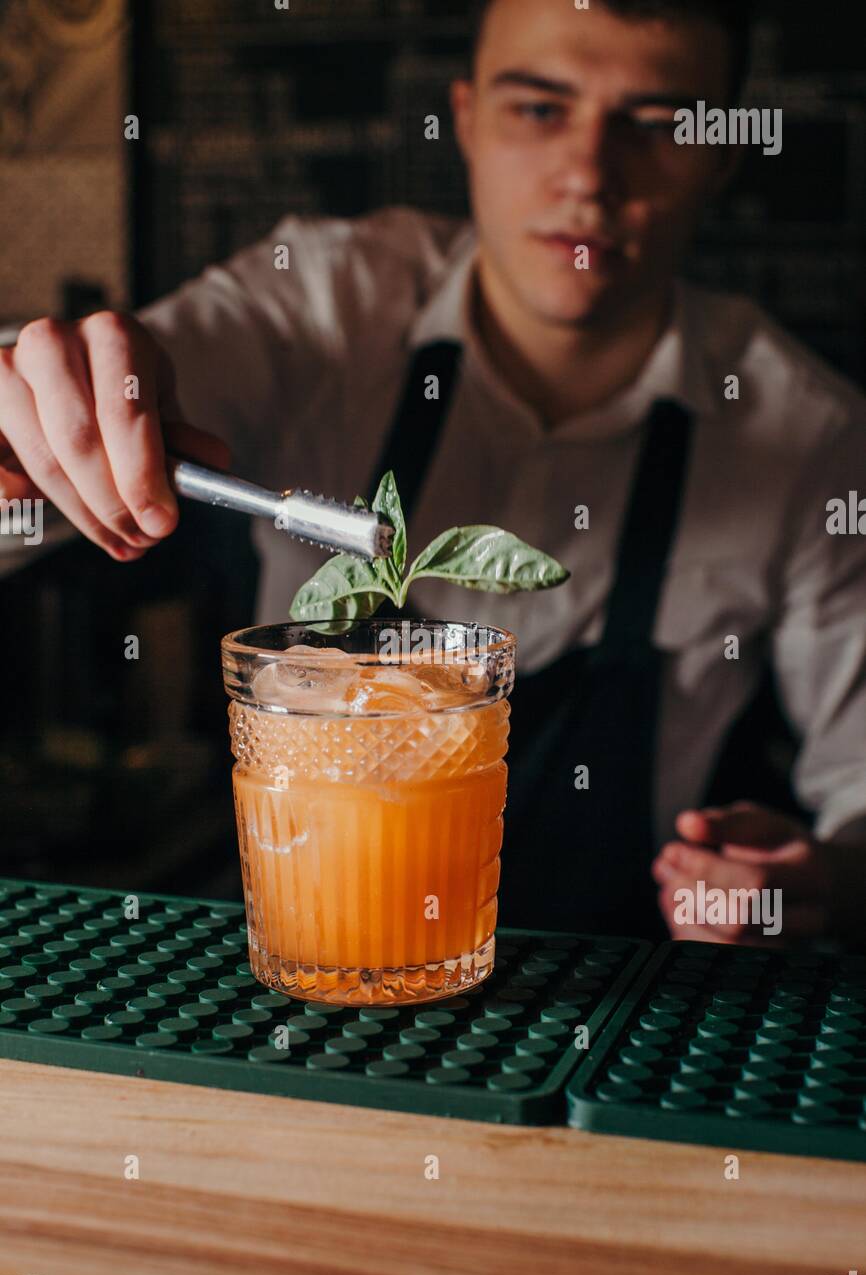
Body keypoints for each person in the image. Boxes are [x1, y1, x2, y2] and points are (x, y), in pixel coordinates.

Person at [1, 0, 864, 945]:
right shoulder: (320, 301)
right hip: (316, 945)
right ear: (463, 117)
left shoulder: (810, 434)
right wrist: (48, 415)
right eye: (539, 109)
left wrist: (826, 881)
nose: (588, 177)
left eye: (657, 127)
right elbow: (118, 407)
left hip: (614, 999)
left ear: (726, 154)